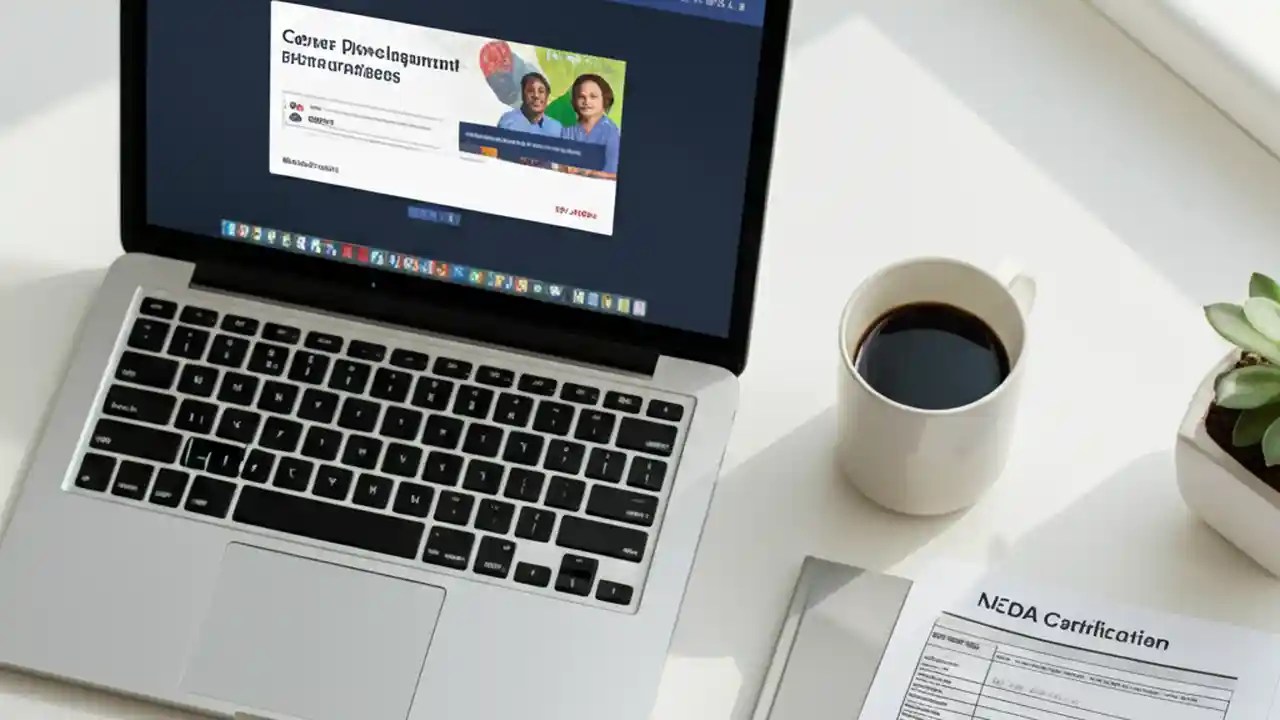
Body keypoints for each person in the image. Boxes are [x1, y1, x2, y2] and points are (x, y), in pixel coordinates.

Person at [560, 73, 621, 178]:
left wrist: (590, 173)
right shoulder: (567, 132)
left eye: (593, 97)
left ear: (604, 100)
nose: (586, 101)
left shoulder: (613, 133)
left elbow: (615, 175)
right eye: (581, 97)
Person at [497, 72, 563, 137]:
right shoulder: (509, 122)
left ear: (547, 96)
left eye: (541, 91)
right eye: (531, 91)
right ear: (523, 95)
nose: (536, 96)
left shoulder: (557, 128)